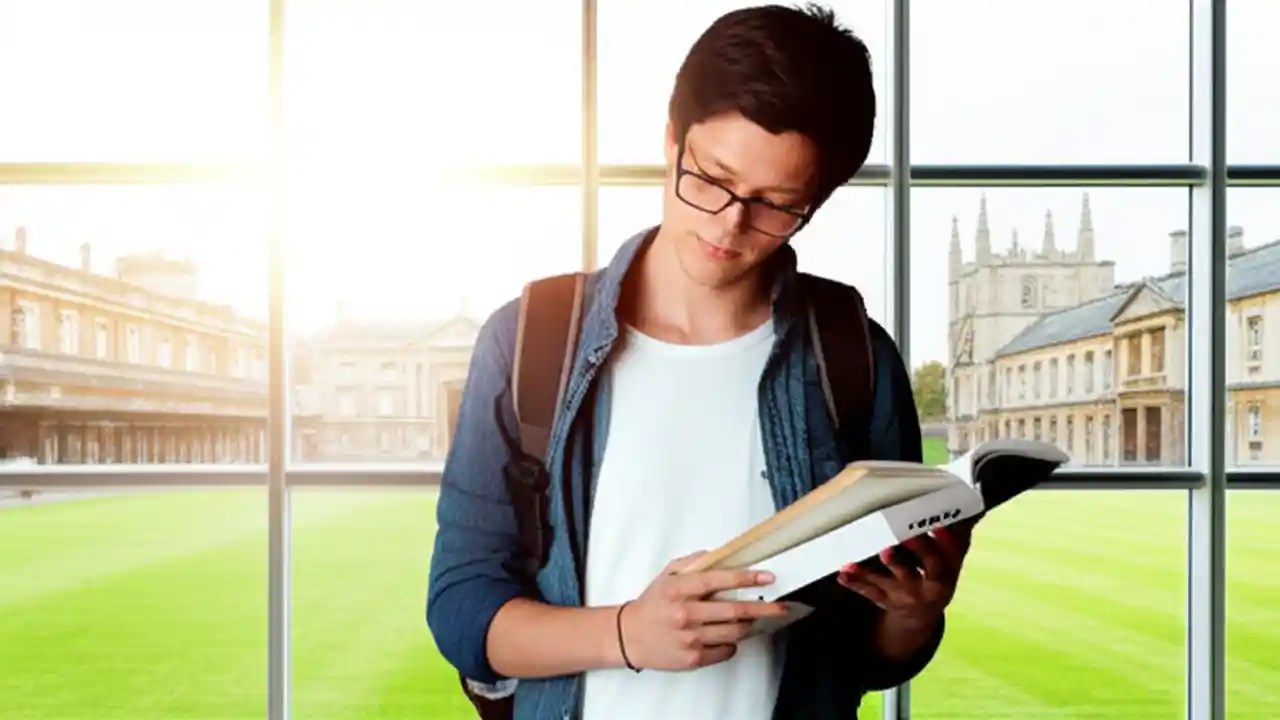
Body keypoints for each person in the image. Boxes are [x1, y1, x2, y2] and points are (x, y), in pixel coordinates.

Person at [427, 4, 974, 719]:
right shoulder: (529, 340)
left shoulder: (854, 359)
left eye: (777, 204)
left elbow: (865, 658)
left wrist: (913, 614)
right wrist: (628, 633)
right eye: (711, 178)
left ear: (818, 200)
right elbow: (463, 610)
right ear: (671, 140)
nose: (729, 224)